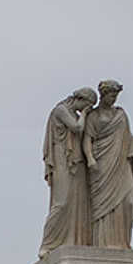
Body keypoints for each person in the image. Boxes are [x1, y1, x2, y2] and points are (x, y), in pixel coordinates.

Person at [83, 79, 133, 249]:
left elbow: (127, 137)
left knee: (128, 202)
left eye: (116, 96)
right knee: (103, 205)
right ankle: (102, 243)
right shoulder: (93, 116)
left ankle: (122, 242)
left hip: (122, 161)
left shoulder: (121, 114)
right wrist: (90, 158)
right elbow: (87, 139)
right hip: (102, 162)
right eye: (111, 95)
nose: (113, 99)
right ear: (103, 95)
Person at [39, 87, 98, 254]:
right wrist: (85, 114)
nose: (88, 109)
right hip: (62, 160)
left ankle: (74, 240)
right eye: (88, 105)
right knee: (62, 201)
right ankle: (47, 244)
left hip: (77, 161)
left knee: (78, 201)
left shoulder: (76, 115)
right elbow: (77, 128)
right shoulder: (61, 110)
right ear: (81, 99)